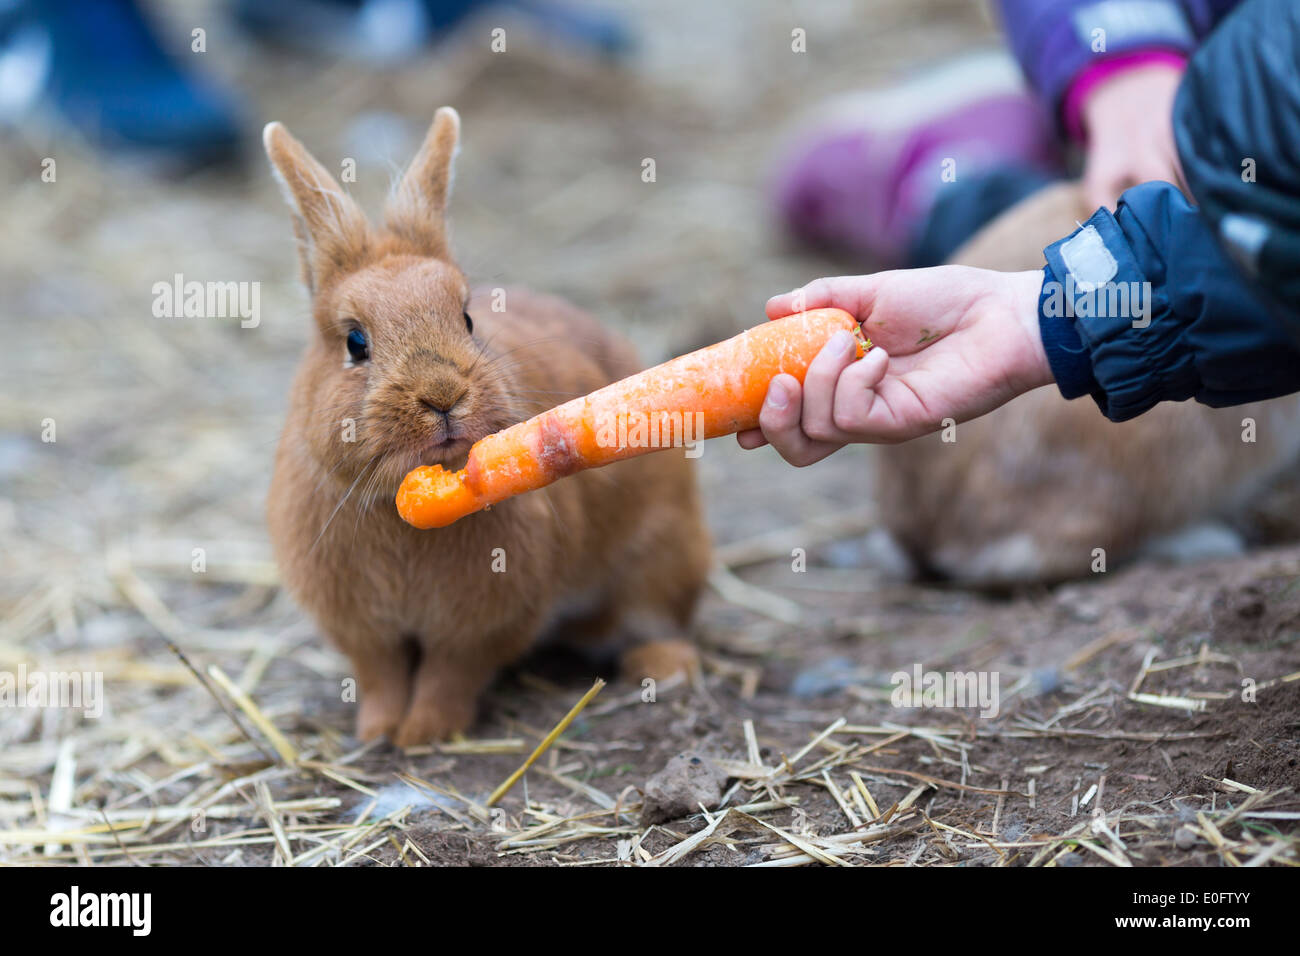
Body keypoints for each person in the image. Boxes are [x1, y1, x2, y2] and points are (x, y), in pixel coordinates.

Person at [741, 0, 1300, 466]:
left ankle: (966, 166)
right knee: (1111, 201)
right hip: (1204, 87)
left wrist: (1041, 320)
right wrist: (1124, 52)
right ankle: (943, 185)